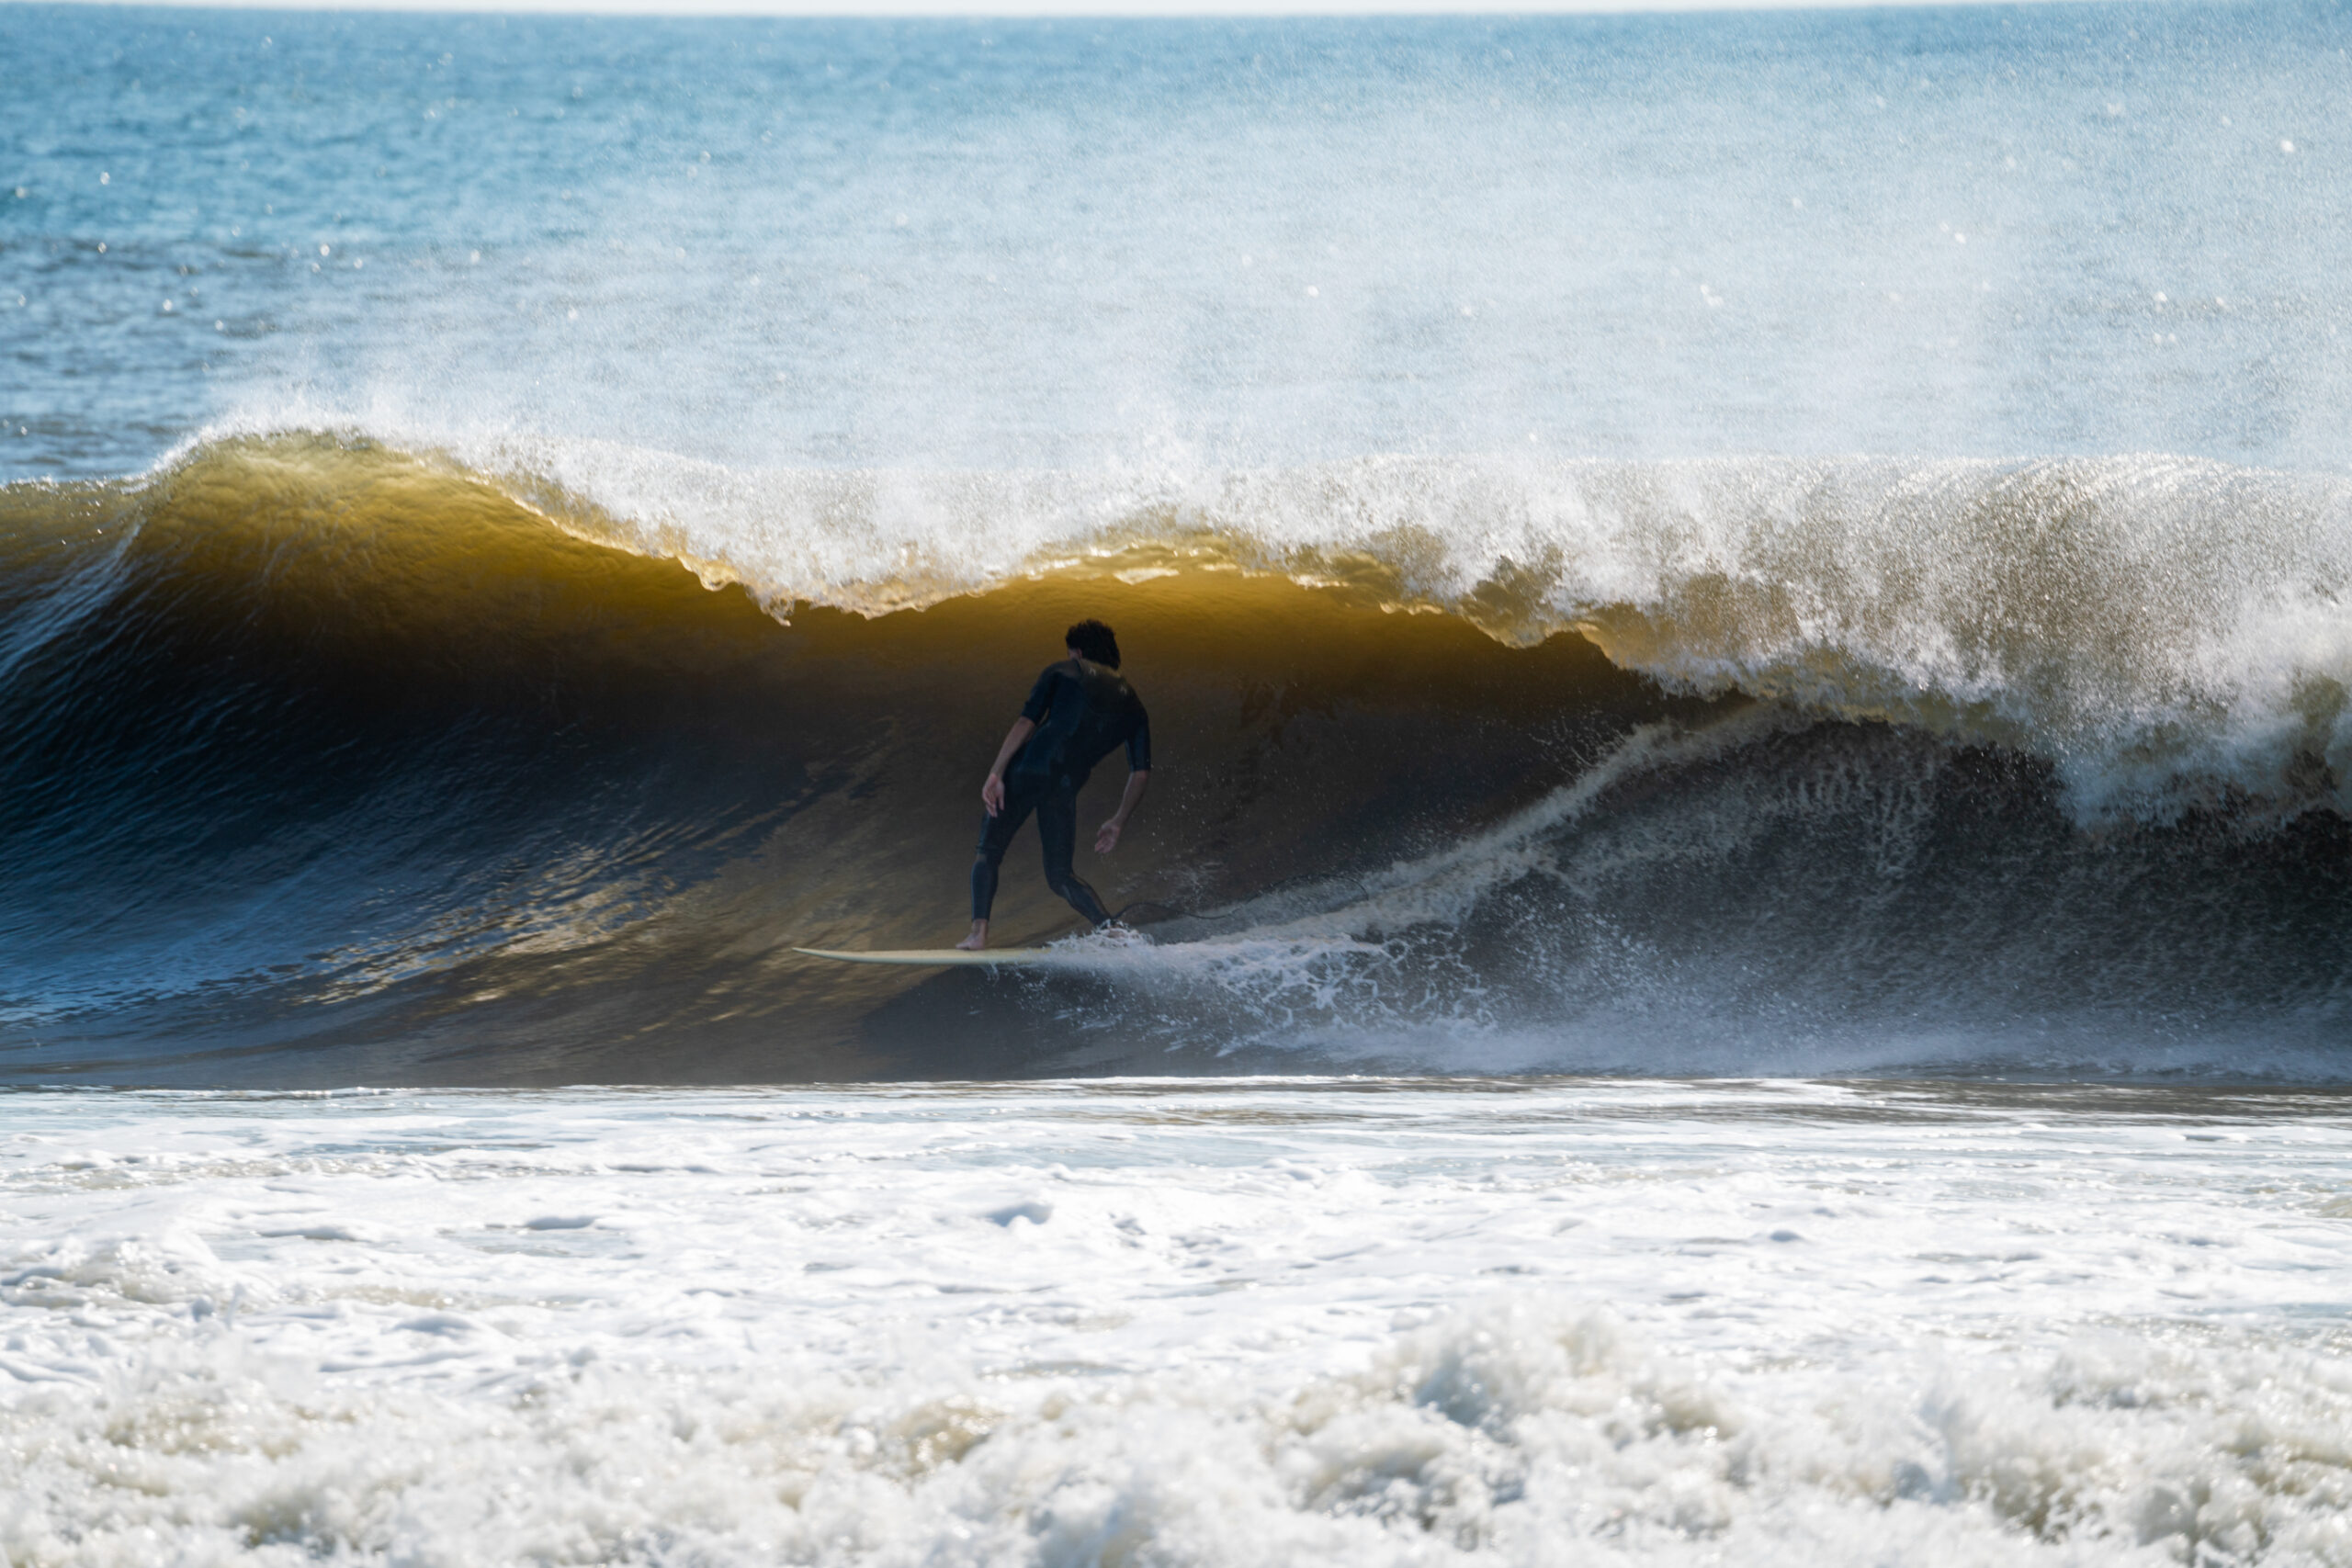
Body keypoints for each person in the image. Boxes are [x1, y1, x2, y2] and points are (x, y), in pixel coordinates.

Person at [958, 619, 1151, 951]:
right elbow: (1141, 771)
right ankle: (1112, 928)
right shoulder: (1134, 705)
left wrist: (996, 772)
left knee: (988, 852)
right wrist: (1119, 820)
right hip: (1065, 786)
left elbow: (1026, 722)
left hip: (1028, 770)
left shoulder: (1065, 671)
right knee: (1060, 875)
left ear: (1077, 652)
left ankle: (978, 935)